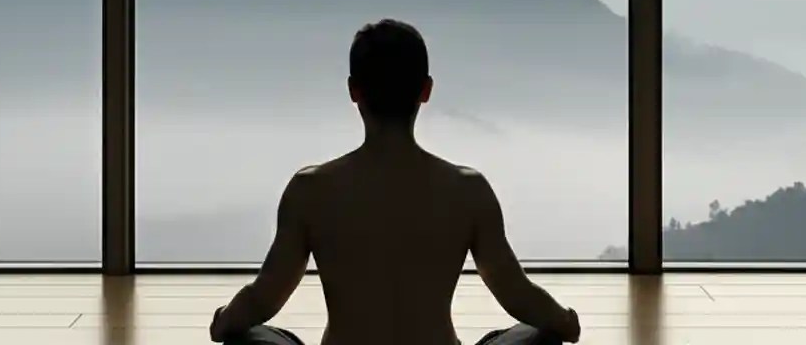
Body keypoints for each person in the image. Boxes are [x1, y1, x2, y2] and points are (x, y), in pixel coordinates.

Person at [209, 19, 582, 345]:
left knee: (253, 337)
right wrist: (563, 320)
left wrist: (225, 320)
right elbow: (515, 292)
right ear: (426, 90)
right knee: (534, 337)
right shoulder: (469, 190)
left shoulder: (310, 190)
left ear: (354, 90)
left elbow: (264, 297)